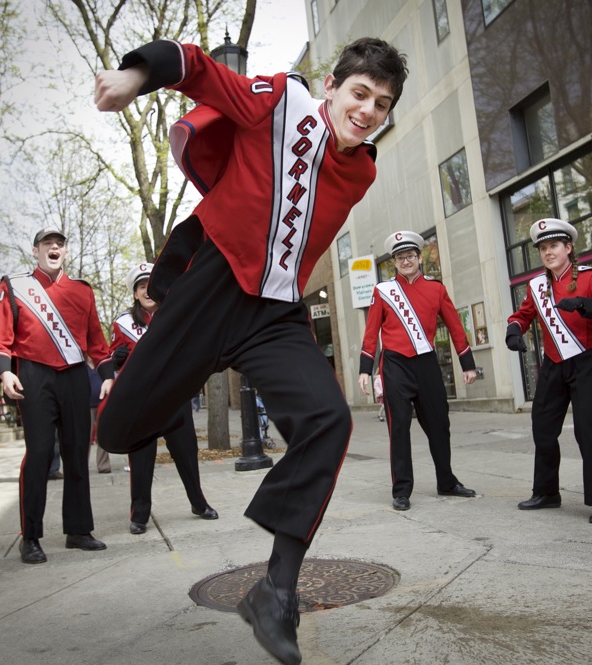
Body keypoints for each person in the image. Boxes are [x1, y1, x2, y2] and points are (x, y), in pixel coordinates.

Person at [94, 36, 407, 665]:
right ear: (331, 89)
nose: (368, 110)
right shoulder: (280, 101)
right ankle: (139, 384)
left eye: (382, 102)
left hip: (274, 313)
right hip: (211, 288)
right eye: (359, 93)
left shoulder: (364, 168)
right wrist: (136, 75)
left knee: (328, 419)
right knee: (120, 431)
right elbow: (204, 73)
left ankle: (275, 592)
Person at [0, 227, 114, 565]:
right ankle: (31, 536)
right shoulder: (15, 287)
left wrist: (108, 375)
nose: (53, 248)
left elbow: (96, 341)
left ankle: (78, 530)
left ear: (65, 252)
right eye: (47, 244)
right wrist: (4, 371)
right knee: (40, 454)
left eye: (59, 244)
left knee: (76, 454)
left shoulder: (82, 291)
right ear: (35, 251)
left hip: (74, 376)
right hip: (33, 374)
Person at [506, 218, 592, 524]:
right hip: (554, 363)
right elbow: (523, 314)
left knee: (588, 430)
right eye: (543, 248)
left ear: (568, 248)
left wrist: (585, 304)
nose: (548, 252)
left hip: (588, 360)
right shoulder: (536, 285)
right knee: (543, 427)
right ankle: (547, 492)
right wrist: (514, 331)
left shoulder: (590, 276)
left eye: (554, 246)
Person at [357, 231, 478, 511]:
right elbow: (371, 332)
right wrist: (365, 369)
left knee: (440, 425)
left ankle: (446, 482)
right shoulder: (383, 291)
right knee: (398, 427)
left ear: (419, 257)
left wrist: (467, 362)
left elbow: (455, 325)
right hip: (395, 364)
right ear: (395, 262)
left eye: (410, 256)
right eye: (400, 257)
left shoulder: (436, 289)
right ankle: (401, 490)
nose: (406, 261)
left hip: (426, 364)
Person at [108, 262, 218, 535]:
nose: (148, 291)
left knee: (186, 453)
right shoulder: (122, 323)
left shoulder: (176, 316)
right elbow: (110, 356)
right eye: (142, 286)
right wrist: (116, 359)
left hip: (173, 398)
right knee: (141, 460)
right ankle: (140, 514)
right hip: (140, 404)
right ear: (135, 293)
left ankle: (198, 503)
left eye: (152, 285)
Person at [87, 362, 112, 473]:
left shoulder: (103, 365)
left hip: (103, 403)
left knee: (102, 434)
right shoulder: (82, 365)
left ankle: (103, 465)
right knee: (85, 436)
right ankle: (82, 464)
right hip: (87, 405)